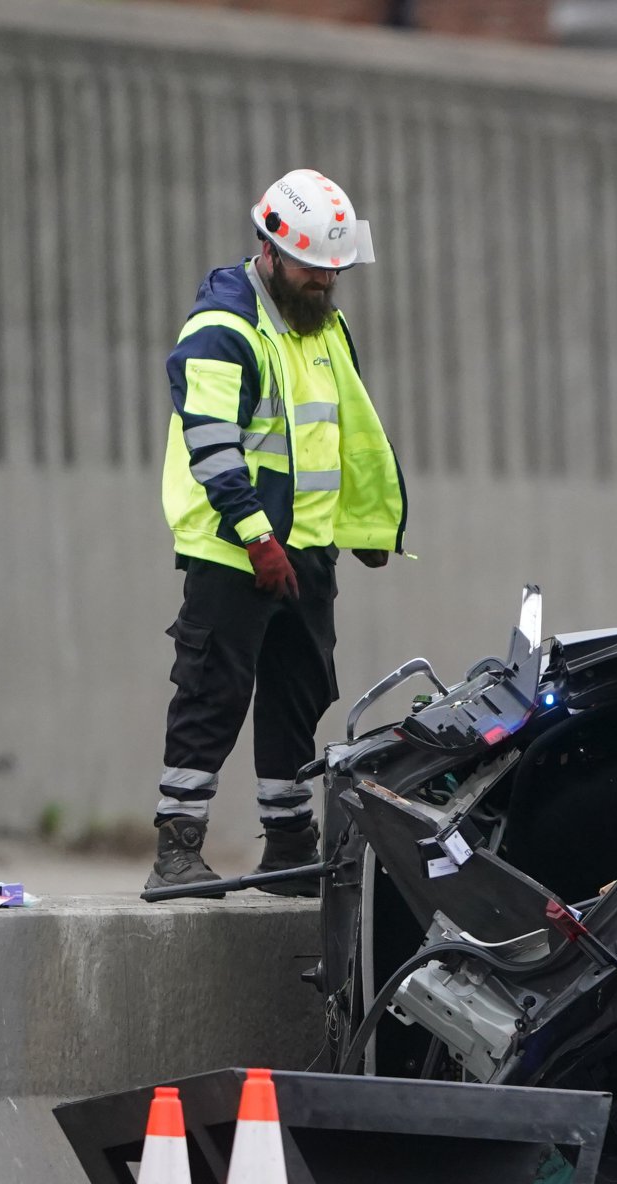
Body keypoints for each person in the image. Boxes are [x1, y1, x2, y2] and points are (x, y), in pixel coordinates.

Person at [149, 168, 408, 895]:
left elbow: (347, 434)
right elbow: (213, 443)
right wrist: (258, 537)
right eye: (310, 269)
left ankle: (289, 847)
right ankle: (178, 845)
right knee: (213, 689)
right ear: (267, 250)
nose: (323, 282)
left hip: (307, 550)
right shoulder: (223, 328)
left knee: (299, 690)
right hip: (234, 549)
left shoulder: (322, 325)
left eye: (332, 270)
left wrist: (364, 524)